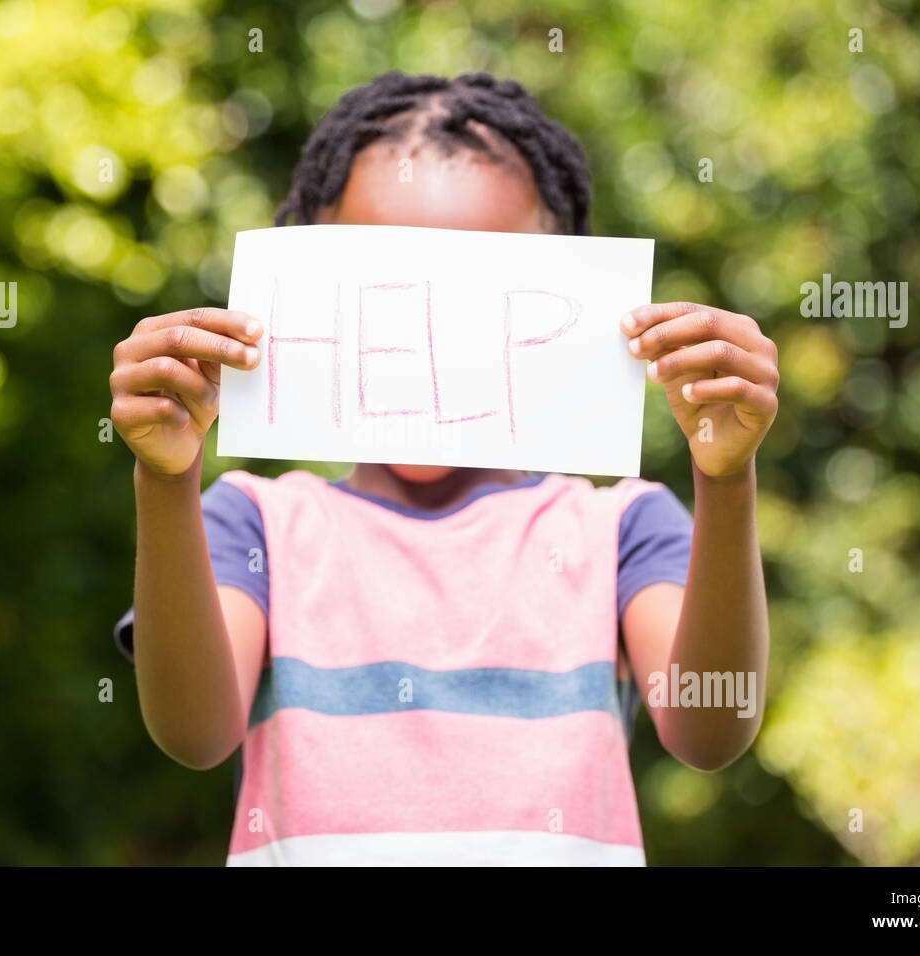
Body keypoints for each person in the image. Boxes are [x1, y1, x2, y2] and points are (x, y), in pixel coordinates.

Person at [109, 72, 778, 865]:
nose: (424, 332)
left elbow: (710, 729)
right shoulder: (251, 522)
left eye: (474, 292)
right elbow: (195, 733)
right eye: (383, 286)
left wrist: (728, 482)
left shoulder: (620, 528)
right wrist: (164, 480)